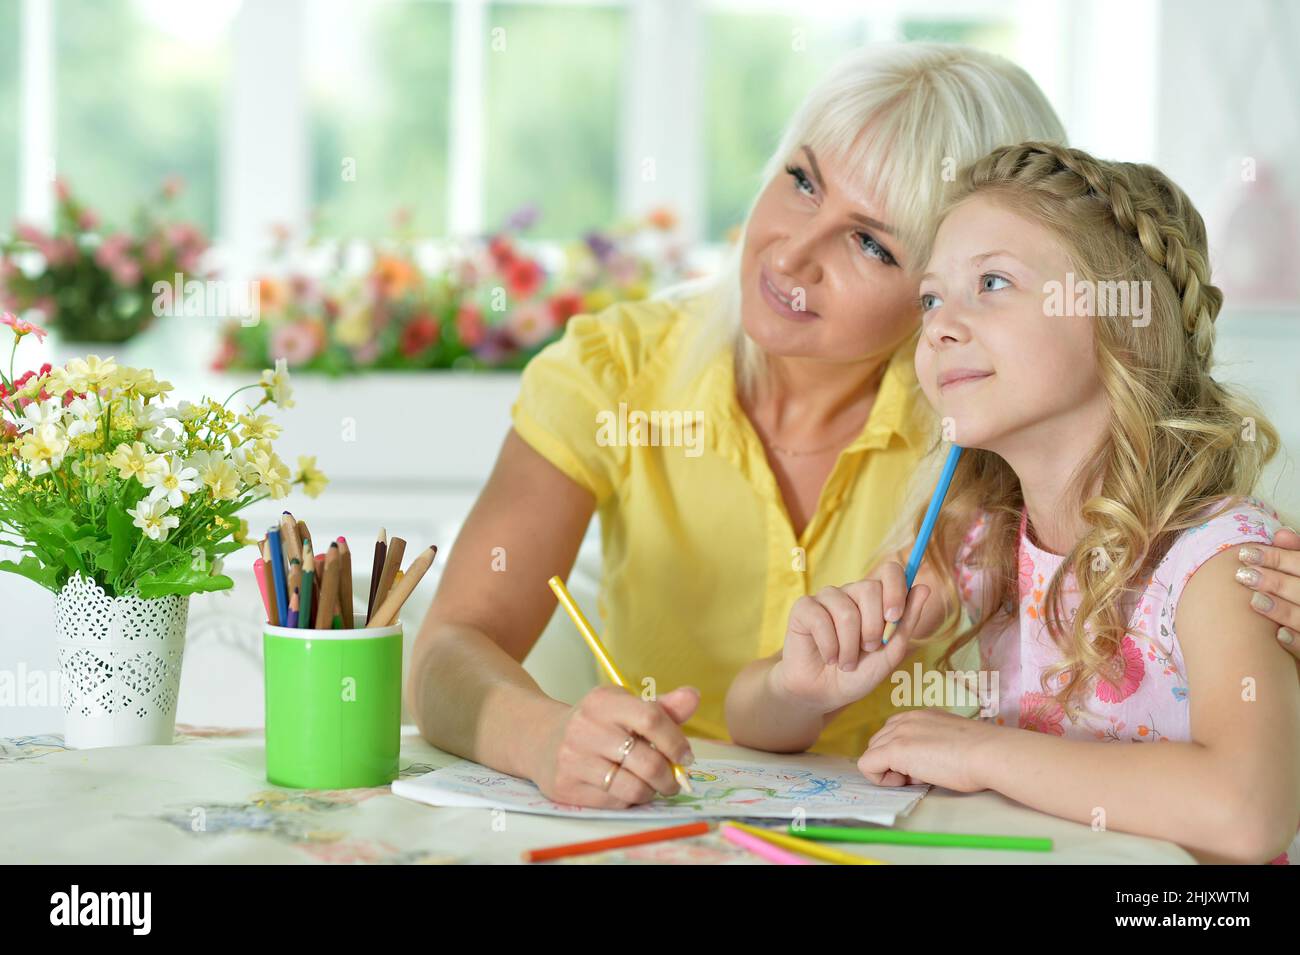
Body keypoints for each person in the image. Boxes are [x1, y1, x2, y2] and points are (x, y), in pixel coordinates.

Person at [729, 141, 1299, 863]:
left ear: (1125, 321)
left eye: (992, 282)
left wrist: (981, 752)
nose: (937, 325)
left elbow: (1248, 812)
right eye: (931, 297)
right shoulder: (981, 542)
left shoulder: (1218, 561)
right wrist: (798, 685)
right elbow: (751, 719)